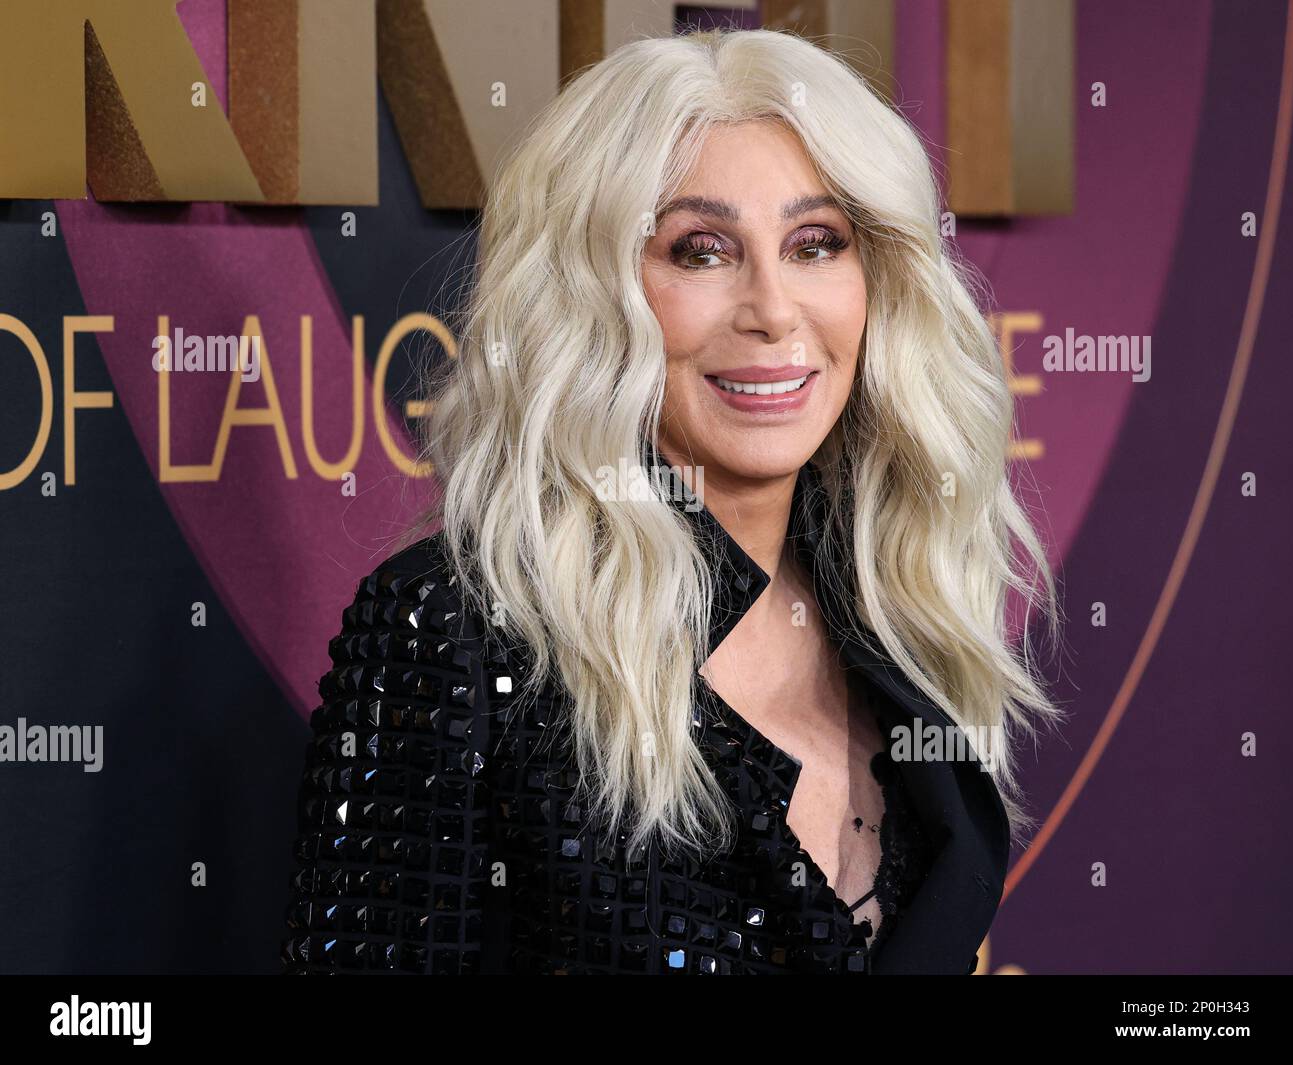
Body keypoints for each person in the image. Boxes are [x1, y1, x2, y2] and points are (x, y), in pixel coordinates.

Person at [280, 26, 1061, 975]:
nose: (774, 308)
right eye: (701, 251)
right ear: (590, 300)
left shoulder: (898, 608)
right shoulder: (454, 633)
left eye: (816, 244)